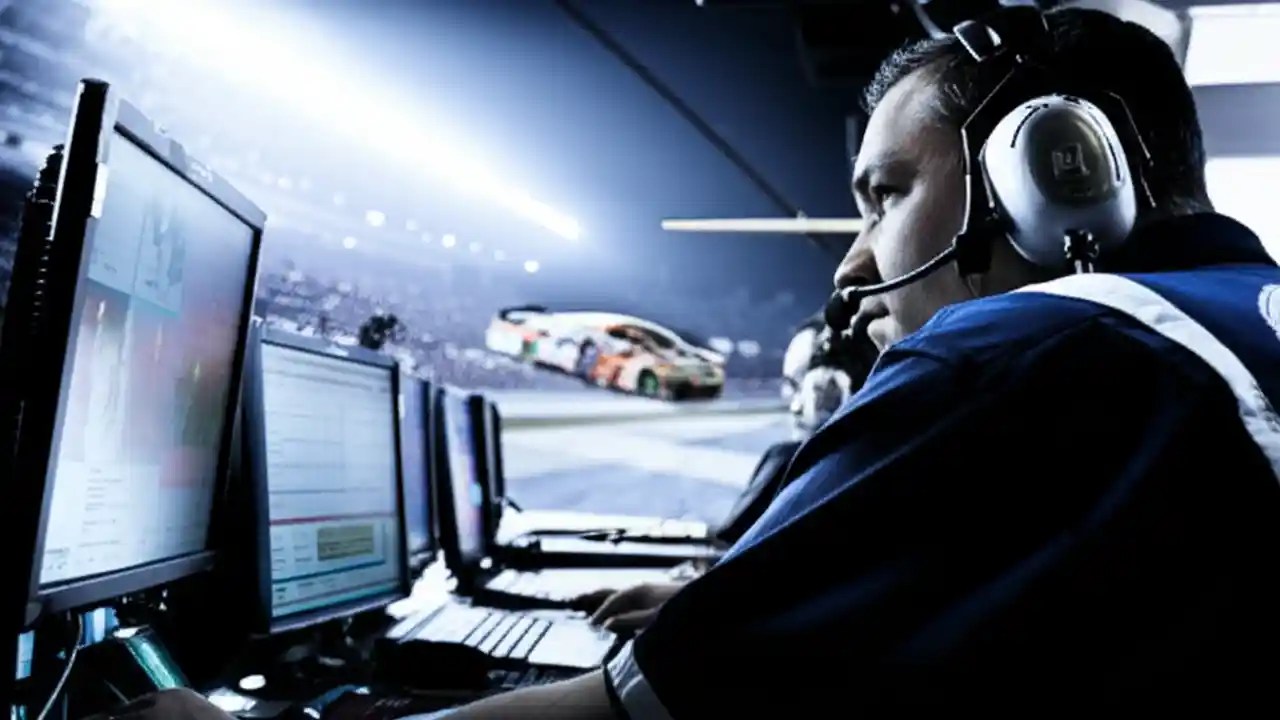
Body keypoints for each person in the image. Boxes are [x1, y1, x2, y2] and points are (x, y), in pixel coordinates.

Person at [126, 5, 1280, 718]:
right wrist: (766, 604)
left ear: (1048, 172)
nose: (853, 268)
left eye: (883, 195)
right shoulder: (1215, 326)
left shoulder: (1037, 345)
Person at [578, 315, 877, 634]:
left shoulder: (800, 467)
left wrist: (704, 603)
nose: (795, 404)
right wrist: (697, 594)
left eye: (797, 386)